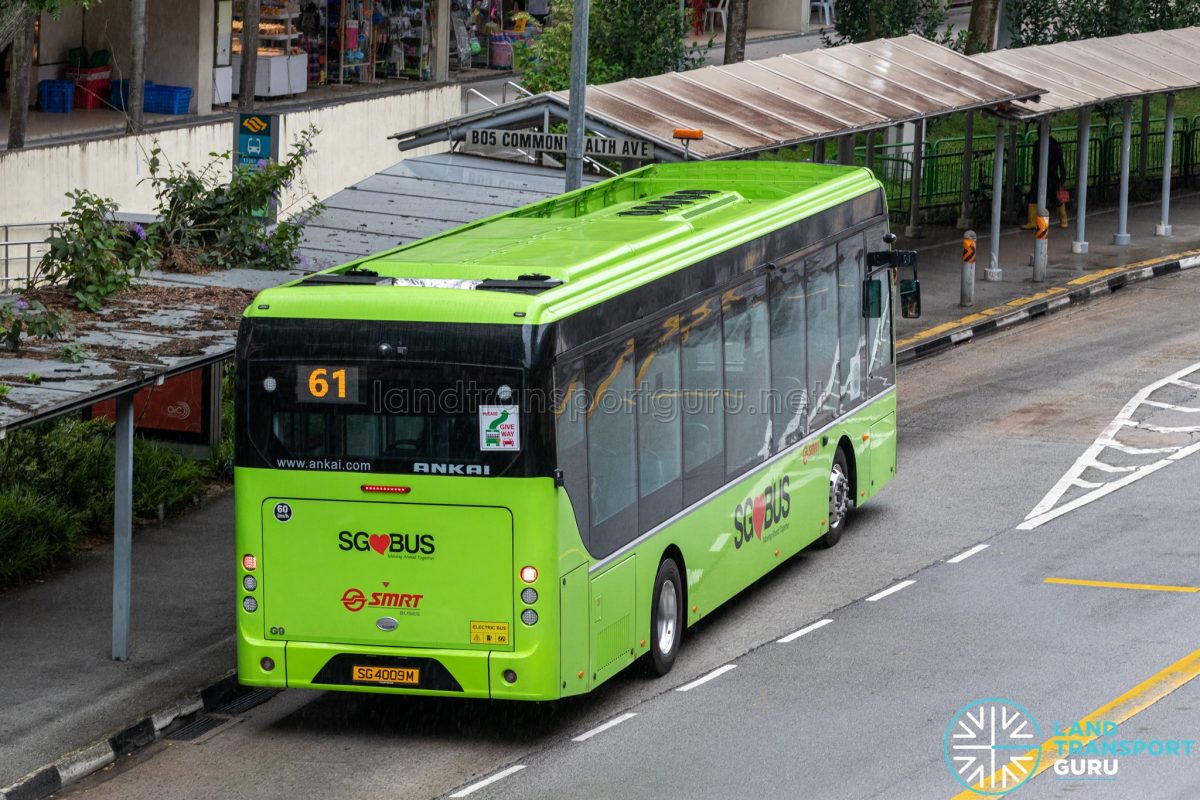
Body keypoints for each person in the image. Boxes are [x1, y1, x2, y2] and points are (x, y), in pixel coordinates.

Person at [1021, 134, 1069, 230]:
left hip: (1041, 174)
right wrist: (1062, 174)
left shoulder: (1038, 144)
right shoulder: (1055, 144)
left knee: (1034, 196)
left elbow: (1035, 161)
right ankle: (1063, 220)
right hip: (1052, 175)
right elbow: (1060, 160)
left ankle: (1032, 221)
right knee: (1053, 196)